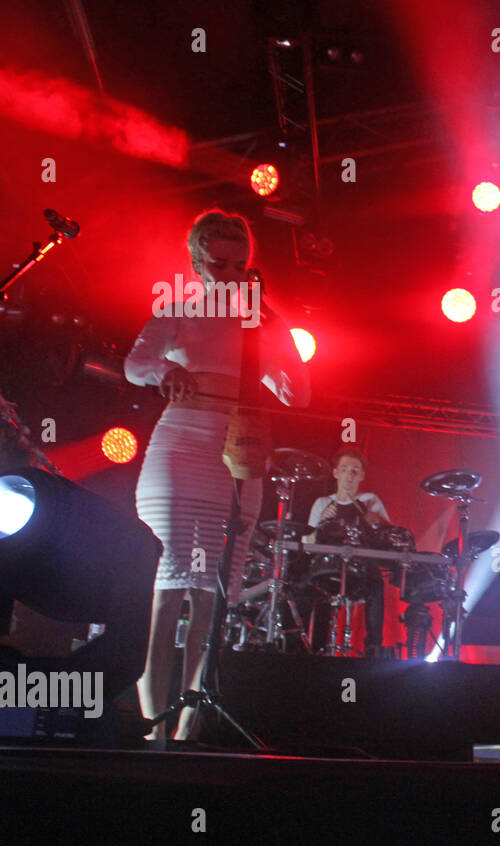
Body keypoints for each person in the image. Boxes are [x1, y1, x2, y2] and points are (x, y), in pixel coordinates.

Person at [126, 209, 311, 740]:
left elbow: (300, 392)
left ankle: (189, 722)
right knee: (168, 587)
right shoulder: (179, 306)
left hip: (237, 452)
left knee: (212, 592)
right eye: (219, 263)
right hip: (182, 447)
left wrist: (276, 338)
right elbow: (135, 364)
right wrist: (170, 369)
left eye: (240, 264)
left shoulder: (260, 319)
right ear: (196, 261)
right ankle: (151, 725)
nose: (230, 273)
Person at [306, 446, 391, 656]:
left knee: (376, 586)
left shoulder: (370, 500)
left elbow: (389, 538)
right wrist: (322, 522)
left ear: (362, 475)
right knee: (307, 584)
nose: (349, 475)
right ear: (336, 473)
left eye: (355, 470)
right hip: (329, 568)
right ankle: (313, 647)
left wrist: (377, 521)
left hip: (361, 569)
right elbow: (307, 544)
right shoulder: (323, 503)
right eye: (344, 469)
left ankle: (374, 649)